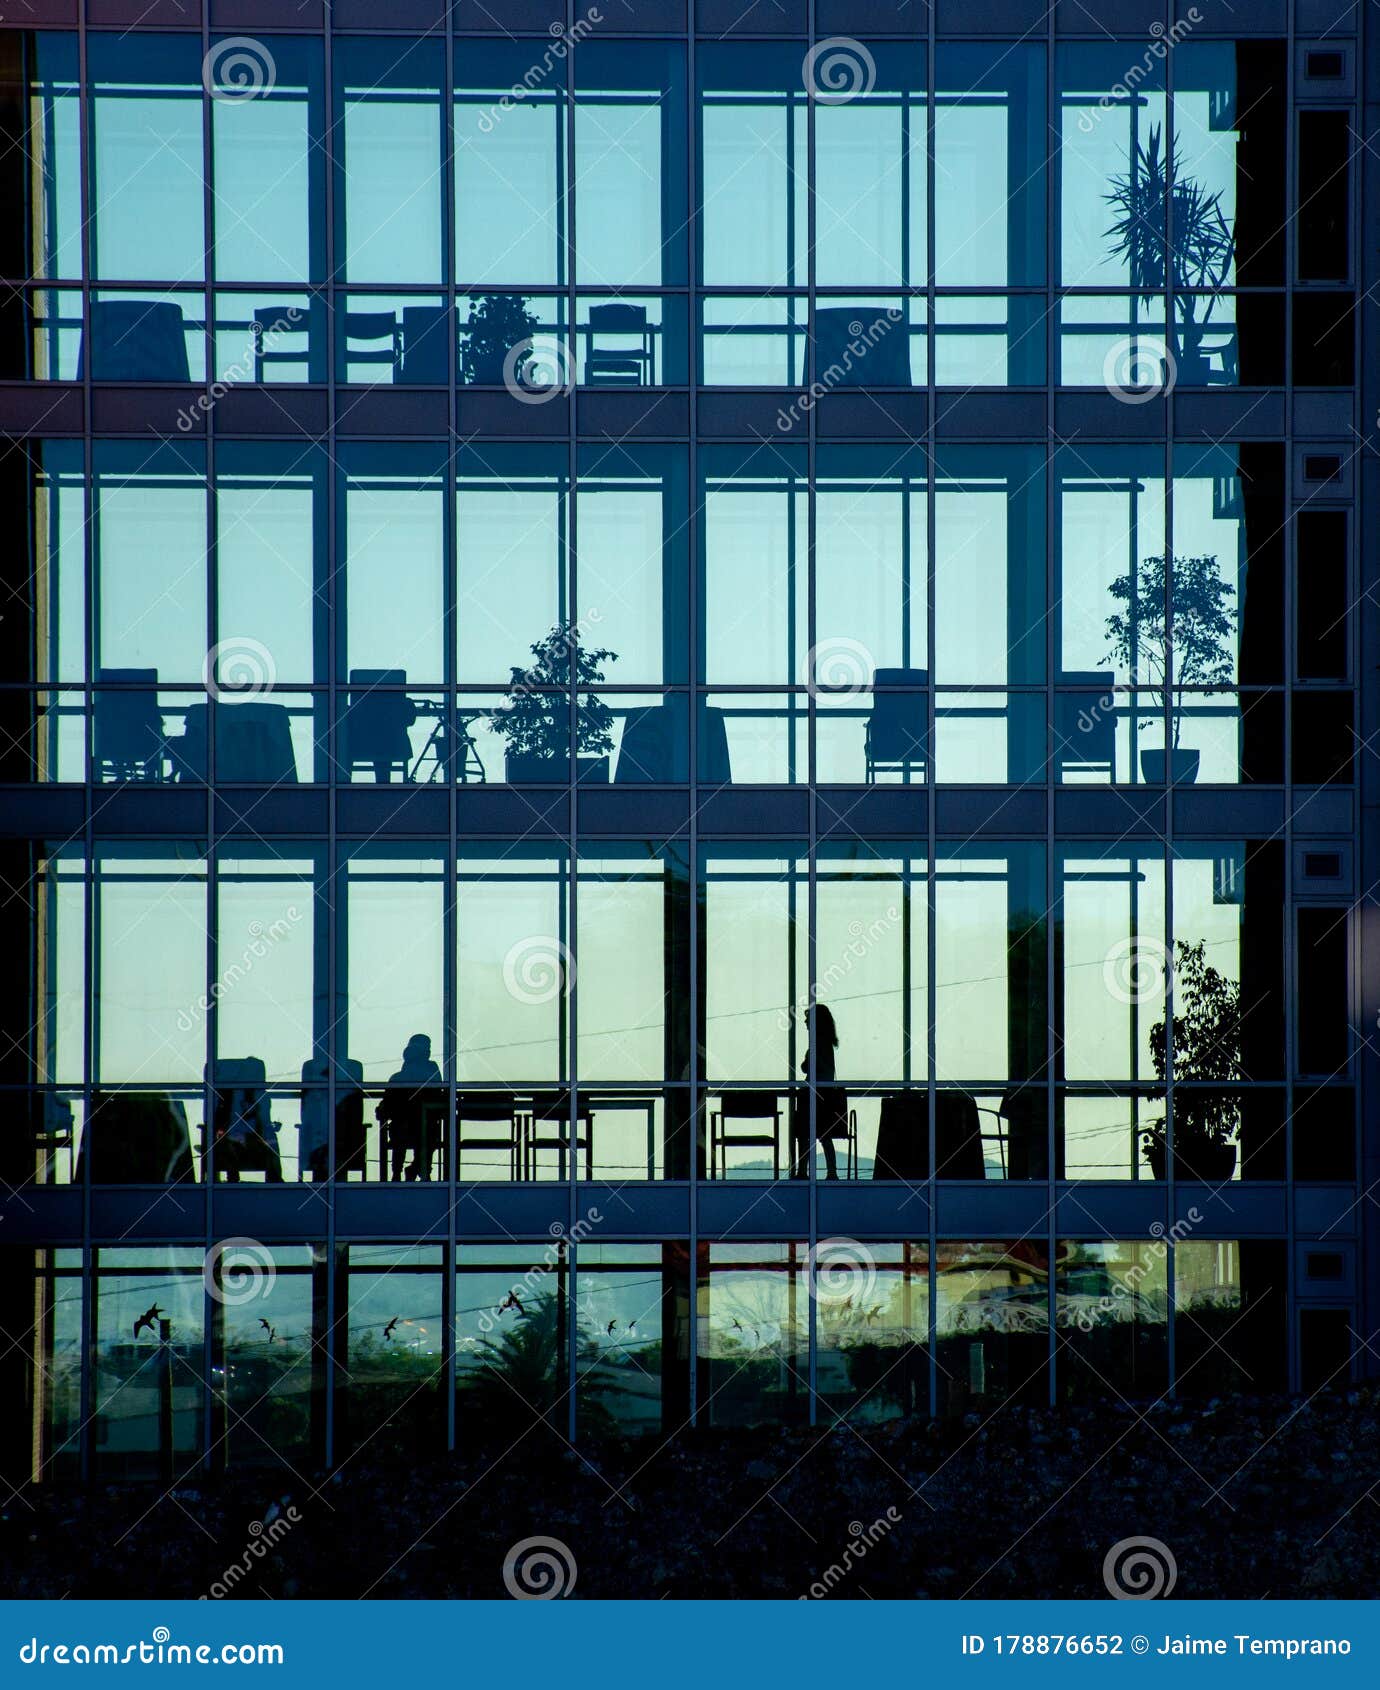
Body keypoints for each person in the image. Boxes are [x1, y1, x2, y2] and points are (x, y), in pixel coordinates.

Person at [792, 1004, 848, 1180]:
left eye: (809, 1019)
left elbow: (810, 1067)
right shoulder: (824, 1044)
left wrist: (808, 1062)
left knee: (806, 1135)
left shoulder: (818, 1044)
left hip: (816, 1096)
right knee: (823, 1135)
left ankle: (803, 1171)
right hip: (824, 1095)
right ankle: (831, 1171)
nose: (806, 1021)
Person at [377, 1033, 443, 1181]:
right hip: (410, 1127)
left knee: (425, 1132)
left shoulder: (398, 1078)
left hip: (419, 1127)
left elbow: (439, 1097)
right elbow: (386, 1105)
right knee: (423, 1132)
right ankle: (411, 1171)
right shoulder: (401, 1078)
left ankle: (411, 1170)